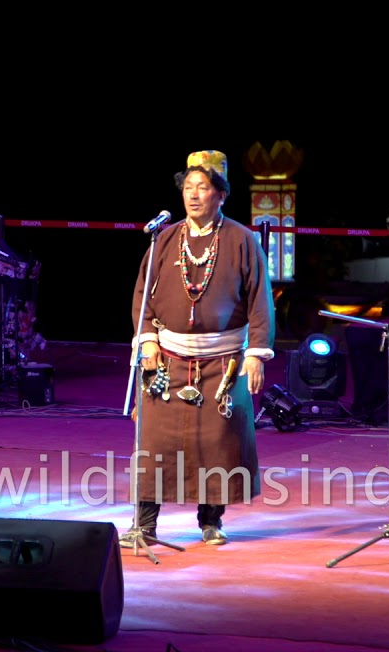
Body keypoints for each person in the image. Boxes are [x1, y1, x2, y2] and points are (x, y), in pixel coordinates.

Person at [124, 150, 276, 547]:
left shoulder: (242, 240)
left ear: (220, 195)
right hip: (167, 357)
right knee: (153, 441)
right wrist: (148, 342)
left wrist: (257, 353)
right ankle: (144, 523)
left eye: (202, 188)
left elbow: (261, 300)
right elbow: (143, 295)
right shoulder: (164, 238)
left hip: (222, 361)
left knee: (218, 441)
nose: (193, 195)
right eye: (188, 188)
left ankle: (211, 520)